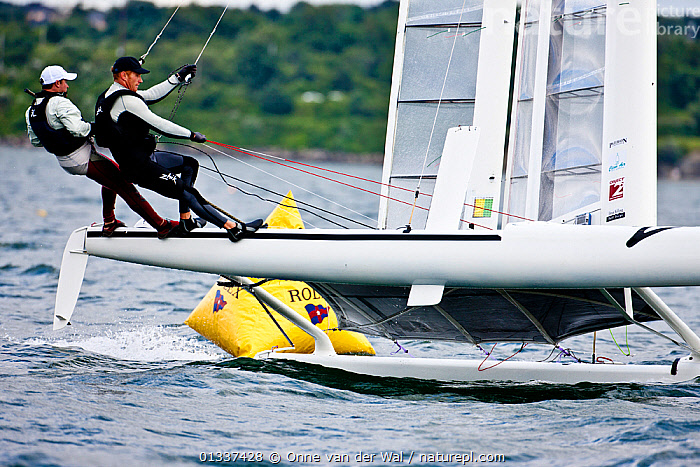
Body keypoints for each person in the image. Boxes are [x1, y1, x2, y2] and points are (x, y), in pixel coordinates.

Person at [94, 56, 263, 242]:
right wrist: (190, 134)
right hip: (140, 168)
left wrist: (177, 78)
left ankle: (186, 222)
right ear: (124, 75)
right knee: (189, 194)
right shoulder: (125, 100)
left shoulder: (110, 96)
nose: (140, 80)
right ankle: (234, 229)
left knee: (189, 165)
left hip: (144, 159)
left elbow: (151, 94)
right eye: (137, 75)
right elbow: (159, 124)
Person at [25, 65, 179, 238]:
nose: (67, 86)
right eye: (65, 82)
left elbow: (36, 141)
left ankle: (109, 222)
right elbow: (79, 130)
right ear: (57, 83)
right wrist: (99, 126)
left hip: (68, 159)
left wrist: (60, 134)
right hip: (80, 158)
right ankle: (162, 226)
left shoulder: (32, 109)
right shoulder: (60, 103)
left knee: (113, 177)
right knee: (125, 186)